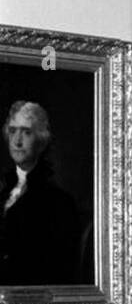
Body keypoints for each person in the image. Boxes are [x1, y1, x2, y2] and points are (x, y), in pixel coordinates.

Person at [0, 100, 82, 285]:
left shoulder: (59, 202)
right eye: (13, 131)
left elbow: (57, 269)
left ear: (40, 140)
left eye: (26, 132)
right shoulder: (4, 190)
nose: (17, 141)